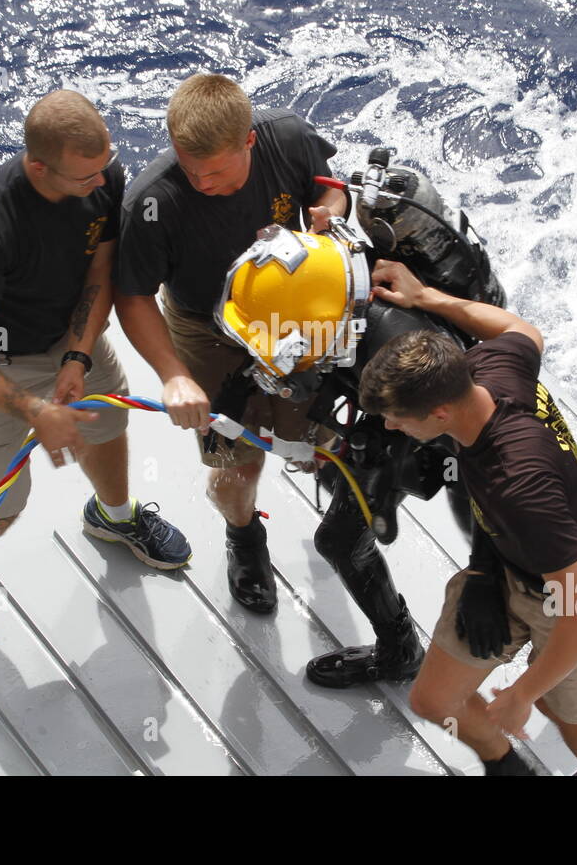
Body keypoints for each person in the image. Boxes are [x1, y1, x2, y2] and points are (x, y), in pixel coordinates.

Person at [114, 74, 423, 686]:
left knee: (323, 436)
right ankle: (243, 536)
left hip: (301, 317)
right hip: (210, 333)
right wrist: (174, 375)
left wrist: (326, 219)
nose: (201, 184)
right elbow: (132, 295)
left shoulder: (289, 138)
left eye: (216, 173)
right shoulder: (153, 202)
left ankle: (348, 498)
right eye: (190, 170)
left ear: (250, 141)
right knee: (235, 466)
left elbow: (334, 192)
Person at [358, 259, 577, 776]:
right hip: (516, 564)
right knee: (433, 701)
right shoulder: (490, 372)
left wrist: (521, 693)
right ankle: (506, 766)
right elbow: (523, 330)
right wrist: (425, 297)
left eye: (397, 418)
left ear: (440, 414)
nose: (390, 426)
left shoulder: (519, 486)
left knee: (566, 710)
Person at [0, 89, 189, 643]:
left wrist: (78, 354)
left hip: (70, 337)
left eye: (104, 171)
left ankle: (114, 517)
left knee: (110, 428)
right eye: (84, 178)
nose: (102, 185)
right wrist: (33, 410)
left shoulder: (101, 175)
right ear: (38, 166)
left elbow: (101, 268)